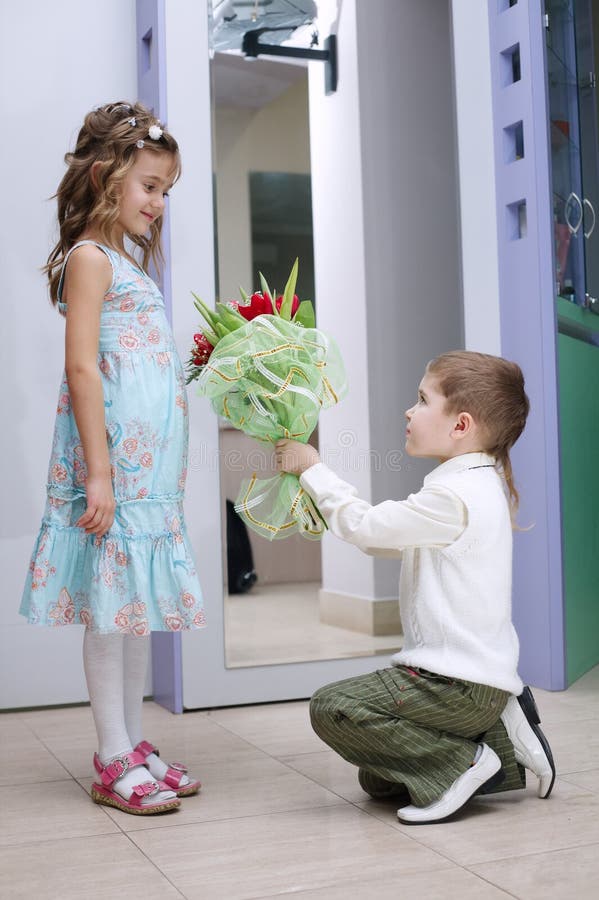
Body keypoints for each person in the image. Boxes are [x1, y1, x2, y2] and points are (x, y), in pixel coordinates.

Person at [275, 350, 555, 824]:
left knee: (333, 707)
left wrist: (312, 469)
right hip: (475, 681)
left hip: (456, 685)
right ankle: (501, 742)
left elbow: (366, 527)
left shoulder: (454, 494)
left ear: (460, 425)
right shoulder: (472, 484)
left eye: (422, 400)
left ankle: (461, 763)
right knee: (377, 779)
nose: (409, 410)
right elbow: (383, 541)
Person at [20, 102, 204, 815]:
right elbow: (84, 370)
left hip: (147, 471)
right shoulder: (90, 259)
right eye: (150, 187)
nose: (159, 204)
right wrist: (99, 472)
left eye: (165, 191)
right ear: (105, 179)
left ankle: (129, 740)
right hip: (114, 468)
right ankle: (109, 755)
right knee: (110, 607)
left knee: (132, 610)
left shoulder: (125, 261)